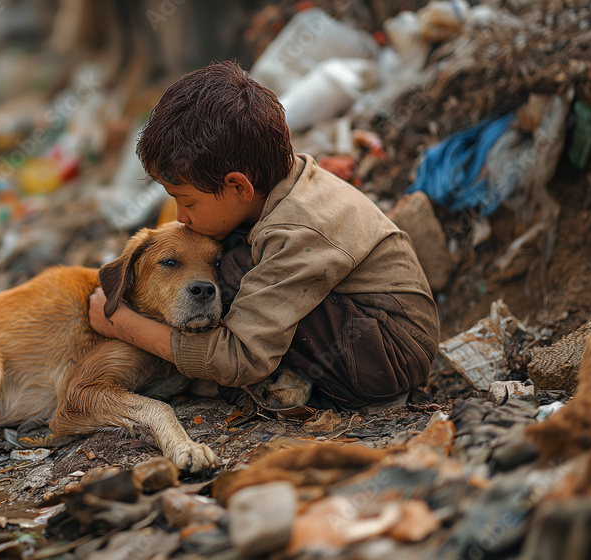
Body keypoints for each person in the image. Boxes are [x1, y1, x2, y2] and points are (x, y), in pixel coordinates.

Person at [88, 60, 440, 412]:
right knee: (231, 260)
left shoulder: (298, 231)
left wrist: (124, 325)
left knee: (232, 271)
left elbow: (239, 359)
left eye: (187, 201)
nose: (182, 216)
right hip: (373, 323)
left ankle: (319, 385)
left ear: (239, 185)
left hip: (389, 353)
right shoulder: (280, 179)